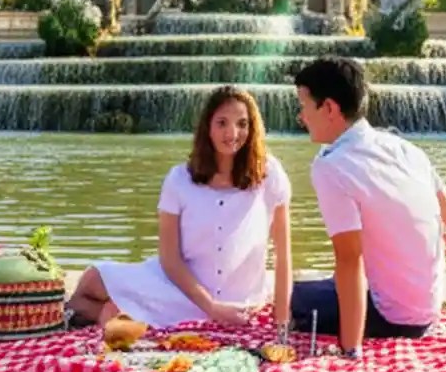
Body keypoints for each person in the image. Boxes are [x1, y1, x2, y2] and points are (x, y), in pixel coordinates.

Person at [290, 57, 446, 358]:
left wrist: (350, 349)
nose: (301, 117)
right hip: (428, 314)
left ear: (329, 108)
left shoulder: (332, 166)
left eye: (304, 105)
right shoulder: (406, 150)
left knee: (296, 298)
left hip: (392, 318)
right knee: (327, 283)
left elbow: (349, 259)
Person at [66, 85, 293, 330]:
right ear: (207, 126)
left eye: (242, 123)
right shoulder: (179, 179)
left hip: (240, 299)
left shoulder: (270, 174)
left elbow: (283, 254)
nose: (233, 133)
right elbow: (170, 259)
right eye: (222, 123)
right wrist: (212, 307)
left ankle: (125, 316)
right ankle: (105, 314)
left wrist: (282, 321)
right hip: (182, 289)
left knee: (93, 294)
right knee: (90, 281)